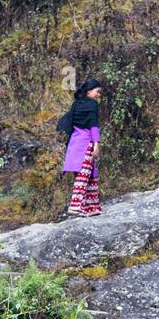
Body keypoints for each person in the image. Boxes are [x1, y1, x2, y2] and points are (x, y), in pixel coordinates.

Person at [58, 78, 103, 217]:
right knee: (84, 175)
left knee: (86, 174)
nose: (99, 94)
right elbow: (93, 124)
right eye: (98, 91)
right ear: (89, 91)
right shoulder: (92, 105)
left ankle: (91, 207)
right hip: (85, 143)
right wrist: (96, 143)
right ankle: (76, 206)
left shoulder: (76, 104)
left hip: (74, 143)